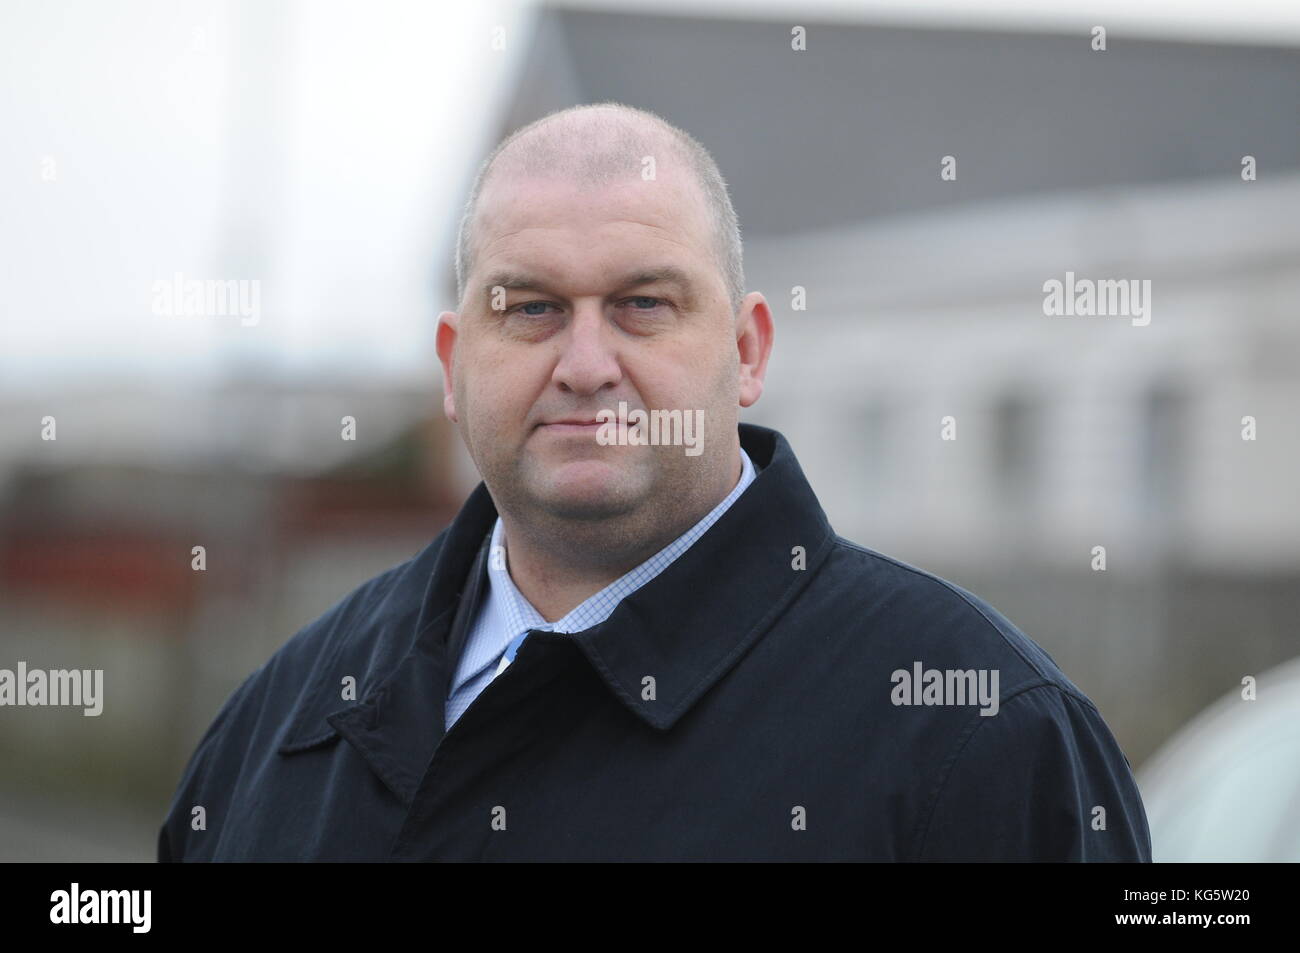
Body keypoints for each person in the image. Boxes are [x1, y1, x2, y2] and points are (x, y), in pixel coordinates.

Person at [158, 101, 1151, 861]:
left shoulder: (981, 733)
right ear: (454, 366)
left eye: (642, 303)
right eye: (532, 308)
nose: (585, 363)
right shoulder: (283, 718)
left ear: (746, 349)